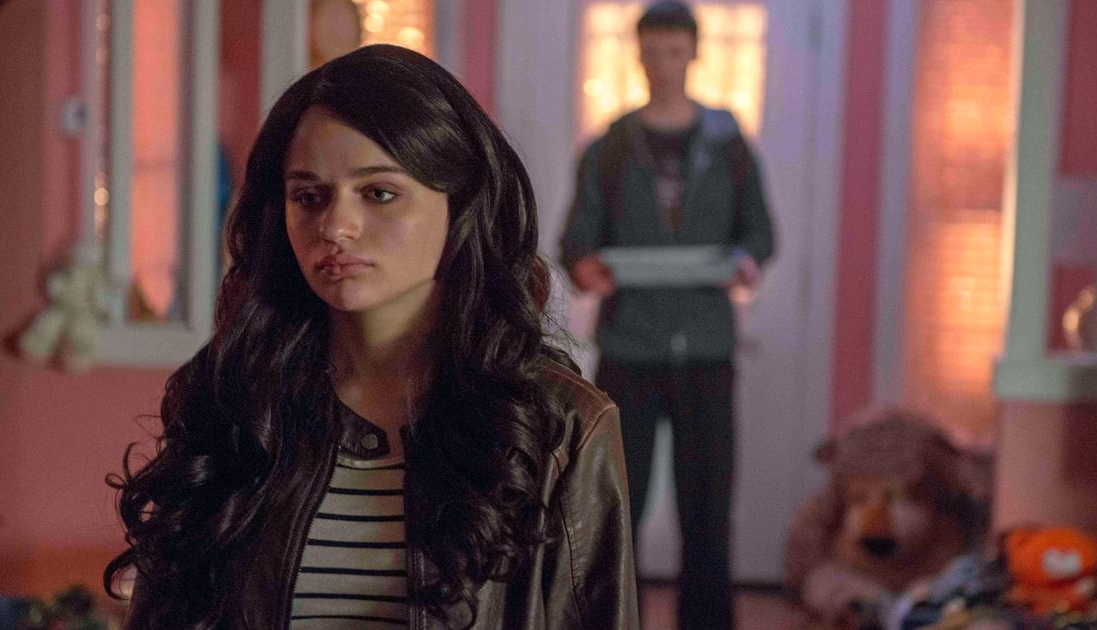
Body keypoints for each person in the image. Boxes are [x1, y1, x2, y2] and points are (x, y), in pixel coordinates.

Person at [105, 44, 638, 630]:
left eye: (379, 193)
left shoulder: (557, 426)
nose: (335, 227)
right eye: (309, 197)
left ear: (461, 205)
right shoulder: (234, 397)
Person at [559, 2, 775, 629]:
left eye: (675, 51)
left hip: (707, 349)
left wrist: (746, 262)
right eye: (652, 51)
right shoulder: (610, 147)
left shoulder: (729, 145)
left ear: (693, 53)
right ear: (638, 55)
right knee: (616, 503)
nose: (663, 64)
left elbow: (760, 233)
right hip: (629, 347)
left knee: (708, 510)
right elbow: (577, 241)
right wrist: (585, 269)